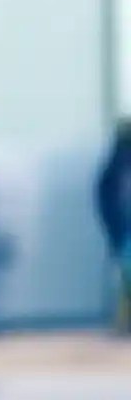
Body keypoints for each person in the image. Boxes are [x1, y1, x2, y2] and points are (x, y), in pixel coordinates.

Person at [96, 119, 131, 332]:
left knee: (126, 273)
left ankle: (124, 318)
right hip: (125, 228)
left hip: (122, 228)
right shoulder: (120, 163)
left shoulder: (115, 165)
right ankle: (124, 318)